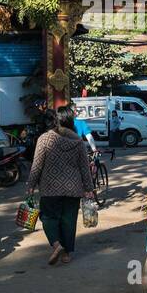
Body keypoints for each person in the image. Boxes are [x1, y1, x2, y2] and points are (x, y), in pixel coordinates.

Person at [26, 106, 96, 266]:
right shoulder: (78, 141)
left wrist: (31, 184)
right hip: (73, 188)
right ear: (71, 121)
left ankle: (56, 245)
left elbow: (37, 164)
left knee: (48, 217)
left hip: (50, 188)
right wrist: (89, 189)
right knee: (68, 220)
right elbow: (84, 167)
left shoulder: (44, 139)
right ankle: (67, 254)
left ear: (55, 121)